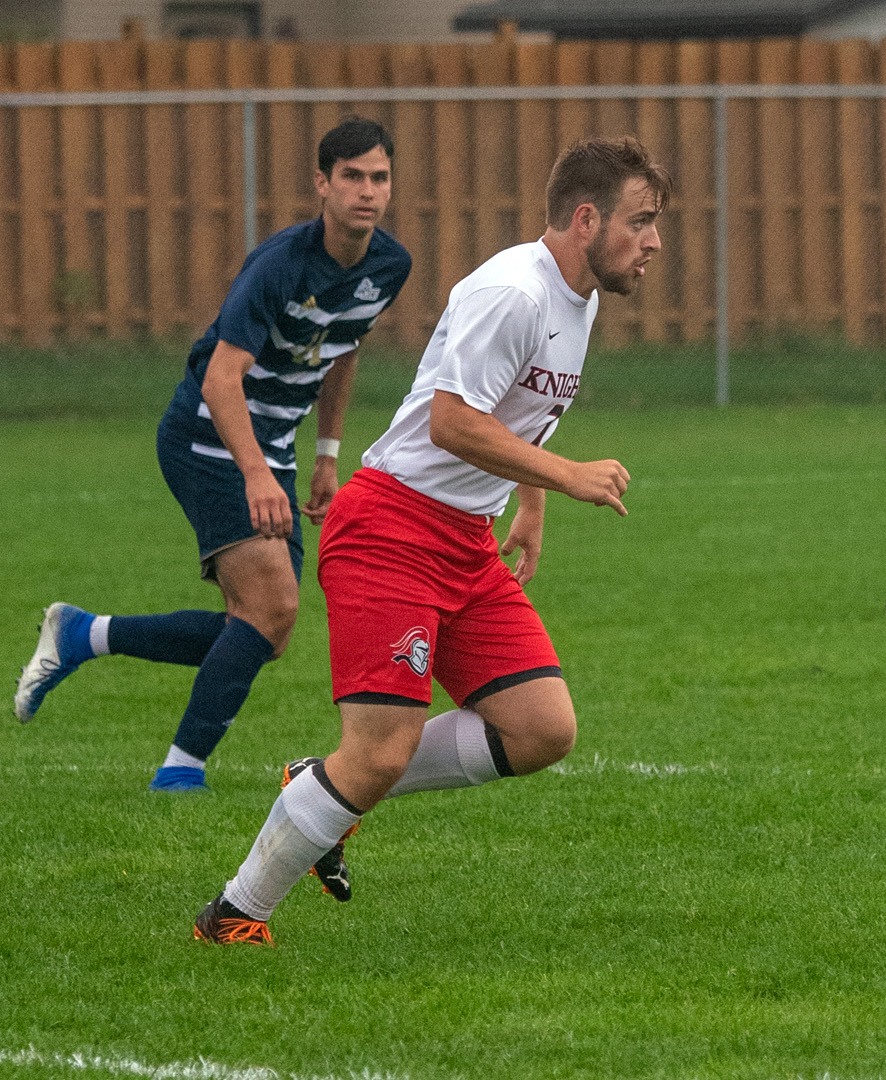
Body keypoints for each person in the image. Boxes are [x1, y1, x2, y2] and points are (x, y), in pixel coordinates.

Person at [192, 137, 668, 945]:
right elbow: (452, 422)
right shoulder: (513, 291)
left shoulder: (577, 298)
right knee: (377, 753)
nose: (654, 242)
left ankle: (320, 787)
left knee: (542, 727)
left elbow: (516, 410)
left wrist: (531, 503)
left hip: (463, 541)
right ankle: (234, 915)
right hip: (392, 530)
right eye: (642, 222)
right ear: (586, 220)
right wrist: (564, 475)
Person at [13, 116, 412, 793]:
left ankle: (85, 635)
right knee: (274, 606)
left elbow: (343, 352)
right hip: (207, 435)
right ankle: (180, 773)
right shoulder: (282, 265)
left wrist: (327, 454)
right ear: (323, 183)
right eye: (351, 177)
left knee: (263, 629)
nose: (365, 192)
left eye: (378, 178)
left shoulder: (388, 265)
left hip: (274, 445)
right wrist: (257, 473)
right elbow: (222, 377)